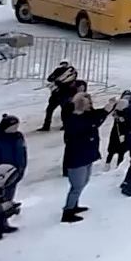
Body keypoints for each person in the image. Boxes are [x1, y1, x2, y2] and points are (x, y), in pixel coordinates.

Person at [58, 92, 101, 222]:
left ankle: (74, 205)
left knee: (83, 182)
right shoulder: (74, 120)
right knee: (76, 186)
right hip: (77, 157)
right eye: (88, 104)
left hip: (87, 155)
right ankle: (68, 211)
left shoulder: (87, 116)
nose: (90, 106)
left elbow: (98, 116)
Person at [38, 62, 78, 132]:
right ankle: (46, 126)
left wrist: (59, 82)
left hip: (65, 94)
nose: (63, 65)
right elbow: (50, 78)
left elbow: (70, 82)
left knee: (65, 111)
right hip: (56, 94)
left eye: (65, 64)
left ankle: (66, 125)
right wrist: (56, 80)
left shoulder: (72, 71)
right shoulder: (58, 70)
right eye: (62, 64)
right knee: (49, 109)